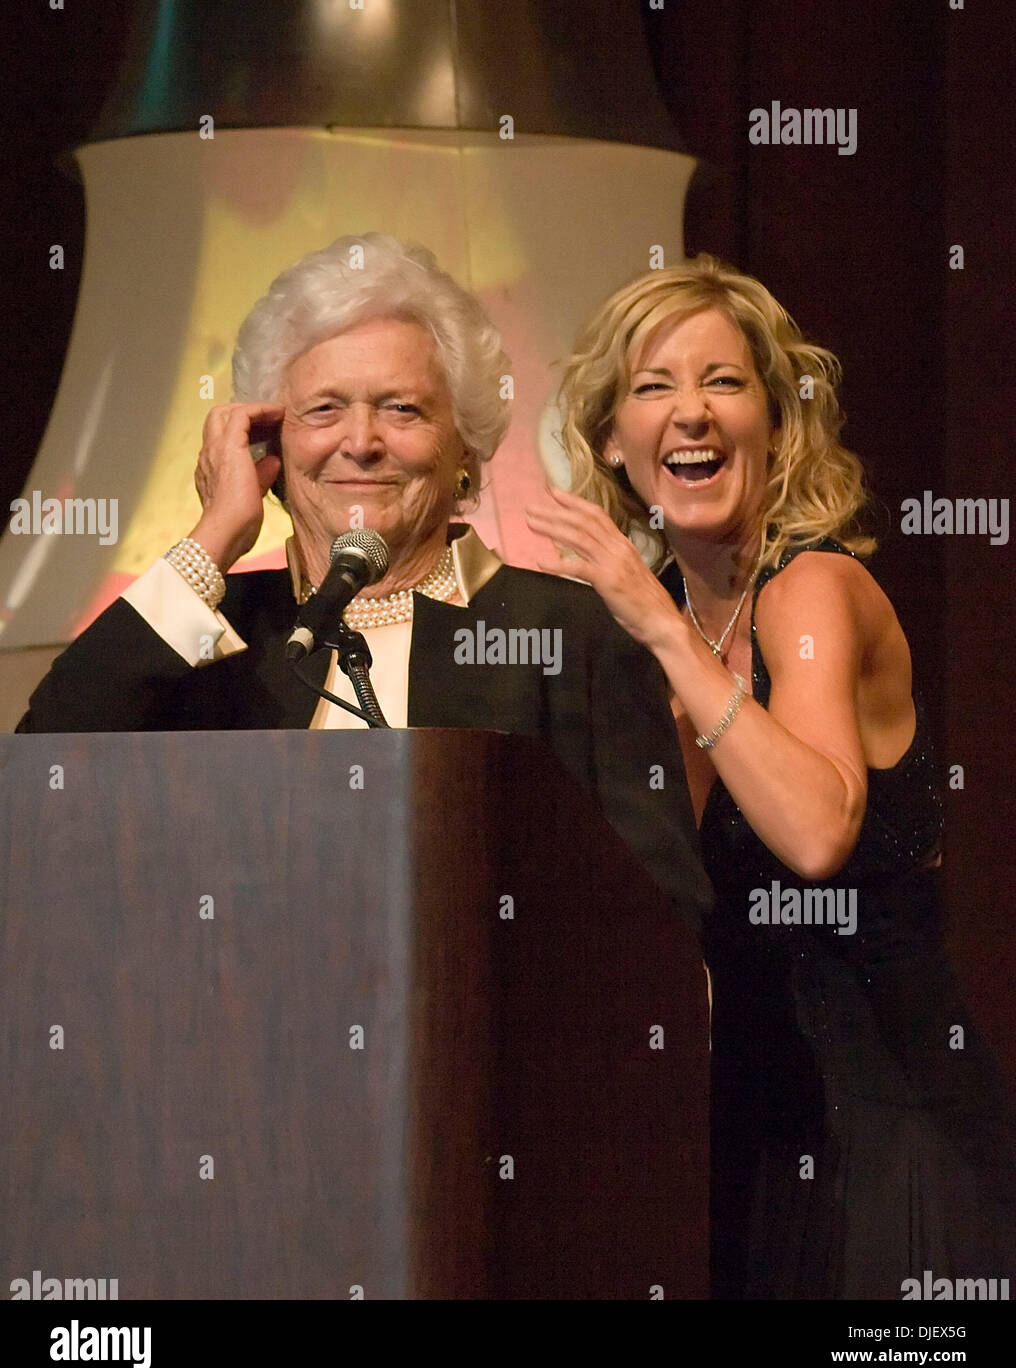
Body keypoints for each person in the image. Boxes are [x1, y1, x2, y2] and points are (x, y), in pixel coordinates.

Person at [526, 254, 1016, 1299]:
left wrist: (660, 632)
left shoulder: (812, 590)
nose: (690, 413)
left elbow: (811, 834)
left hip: (896, 1138)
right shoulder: (643, 633)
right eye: (653, 387)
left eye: (723, 382)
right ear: (612, 441)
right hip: (744, 1143)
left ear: (777, 422)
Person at [16, 233, 711, 927]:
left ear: (463, 446)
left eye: (401, 408)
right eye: (322, 410)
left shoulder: (567, 633)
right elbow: (35, 786)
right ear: (270, 444)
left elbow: (661, 919)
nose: (361, 441)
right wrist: (213, 538)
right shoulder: (207, 626)